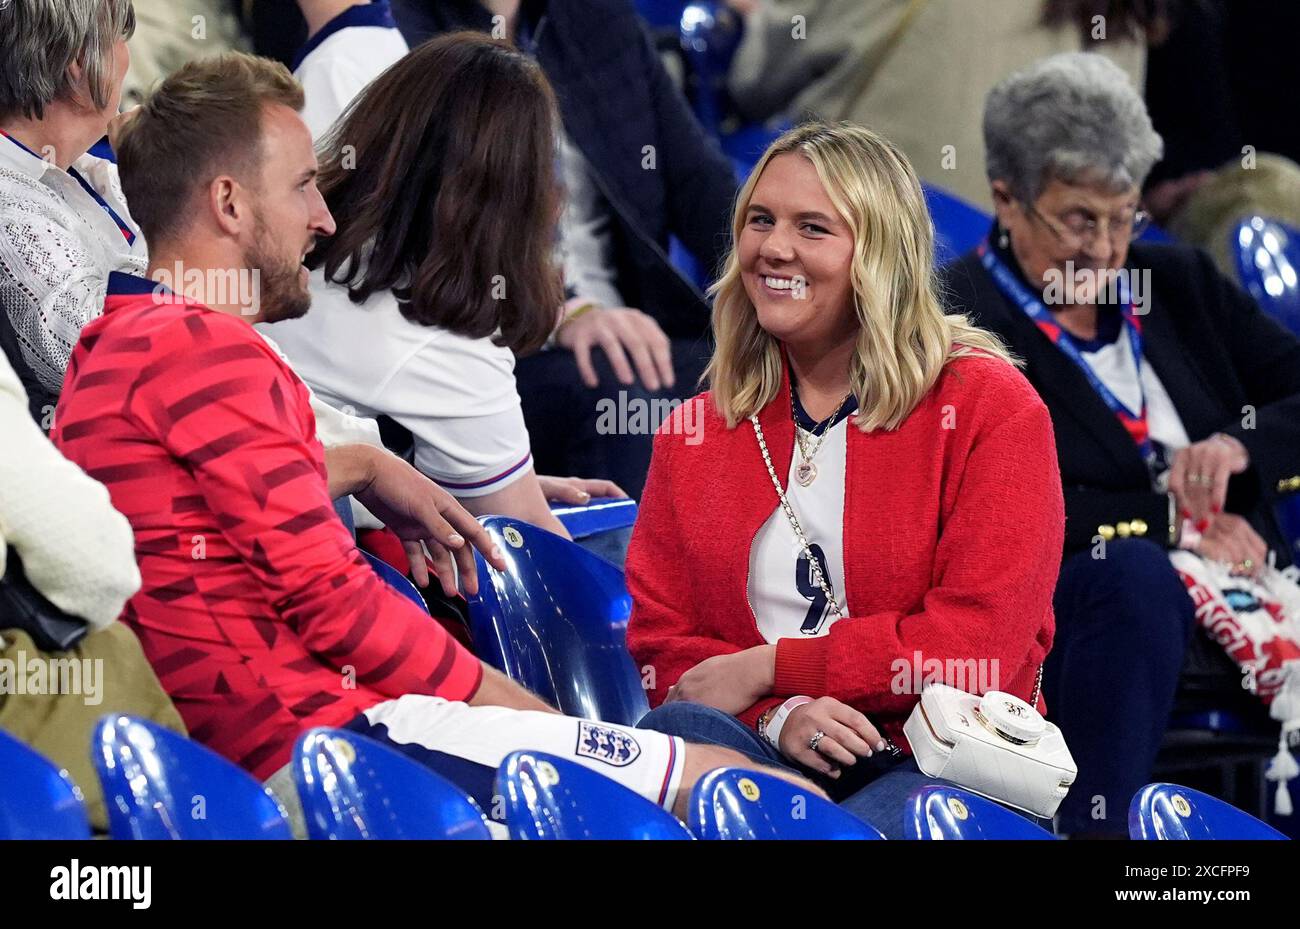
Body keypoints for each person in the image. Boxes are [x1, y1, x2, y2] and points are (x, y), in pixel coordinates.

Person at [53, 52, 817, 822]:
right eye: (301, 186)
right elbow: (337, 608)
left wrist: (360, 464)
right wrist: (547, 724)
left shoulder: (114, 343)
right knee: (742, 789)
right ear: (228, 203)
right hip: (335, 744)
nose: (322, 216)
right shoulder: (204, 351)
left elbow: (207, 507)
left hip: (290, 746)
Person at [626, 121, 1066, 838]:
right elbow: (666, 644)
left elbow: (975, 641)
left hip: (937, 766)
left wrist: (779, 667)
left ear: (879, 258)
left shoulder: (989, 408)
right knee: (679, 728)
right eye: (760, 220)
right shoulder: (698, 429)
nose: (774, 247)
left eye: (813, 228)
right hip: (765, 747)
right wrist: (782, 712)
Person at [941, 52, 1300, 836]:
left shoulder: (1176, 283)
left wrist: (1247, 446)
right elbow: (995, 506)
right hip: (1084, 603)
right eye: (1078, 220)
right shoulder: (956, 323)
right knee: (1132, 576)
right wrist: (1170, 520)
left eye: (1123, 216)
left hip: (1249, 597)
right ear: (1007, 199)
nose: (1105, 250)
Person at [266, 24, 624, 537]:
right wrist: (511, 494)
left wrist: (502, 480)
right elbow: (536, 547)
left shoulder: (303, 239)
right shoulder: (445, 340)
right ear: (521, 193)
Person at [391, 0, 739, 495]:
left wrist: (787, 288)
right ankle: (619, 570)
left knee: (764, 376)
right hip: (488, 342)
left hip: (629, 328)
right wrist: (563, 312)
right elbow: (412, 237)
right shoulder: (394, 33)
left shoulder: (598, 20)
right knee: (615, 398)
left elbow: (702, 187)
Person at [723, 0, 1159, 211]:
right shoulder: (1122, 13)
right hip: (1022, 309)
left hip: (874, 261)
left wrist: (755, 18)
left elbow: (757, 76)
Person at [0, 0, 146, 423]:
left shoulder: (95, 169)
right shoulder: (9, 198)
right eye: (120, 38)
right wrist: (173, 196)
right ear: (81, 62)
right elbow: (98, 358)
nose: (126, 57)